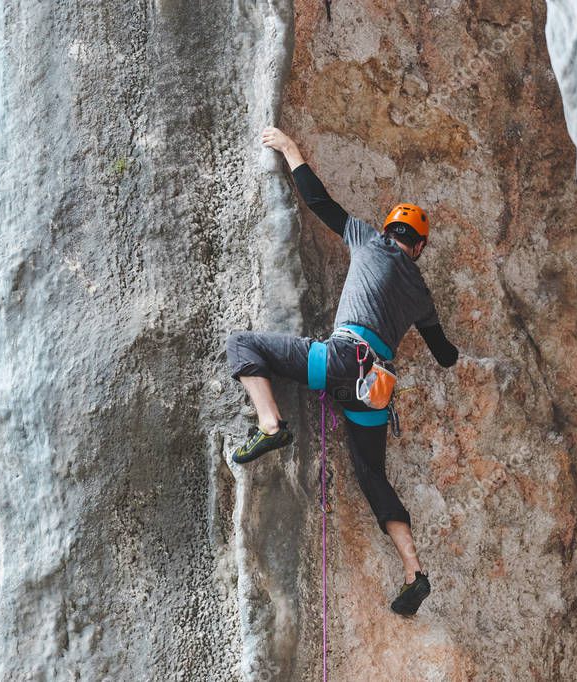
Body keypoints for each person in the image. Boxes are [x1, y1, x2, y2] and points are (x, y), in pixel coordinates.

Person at [225, 126, 460, 616]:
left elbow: (318, 201)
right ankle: (414, 571)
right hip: (374, 391)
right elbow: (444, 355)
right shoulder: (420, 292)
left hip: (337, 361)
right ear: (418, 247)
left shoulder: (368, 240)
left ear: (391, 231)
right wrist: (437, 333)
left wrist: (290, 149)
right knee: (373, 473)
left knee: (243, 343)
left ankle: (270, 425)